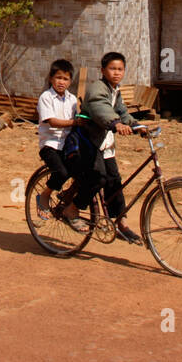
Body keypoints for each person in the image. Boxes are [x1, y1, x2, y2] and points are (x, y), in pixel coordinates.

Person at [78, 51, 146, 245]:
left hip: (105, 143)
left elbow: (122, 113)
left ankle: (121, 223)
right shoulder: (97, 89)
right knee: (98, 177)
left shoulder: (115, 91)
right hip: (90, 141)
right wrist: (116, 124)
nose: (117, 73)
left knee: (115, 181)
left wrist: (138, 126)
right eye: (112, 69)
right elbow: (101, 109)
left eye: (120, 69)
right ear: (103, 70)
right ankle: (73, 208)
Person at [34, 59, 90, 232]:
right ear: (51, 79)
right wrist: (75, 122)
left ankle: (69, 204)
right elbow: (51, 121)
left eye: (65, 79)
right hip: (50, 144)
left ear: (70, 81)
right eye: (58, 78)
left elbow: (79, 117)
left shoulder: (72, 99)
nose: (61, 82)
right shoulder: (46, 97)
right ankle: (44, 195)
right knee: (62, 172)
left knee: (85, 172)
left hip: (67, 145)